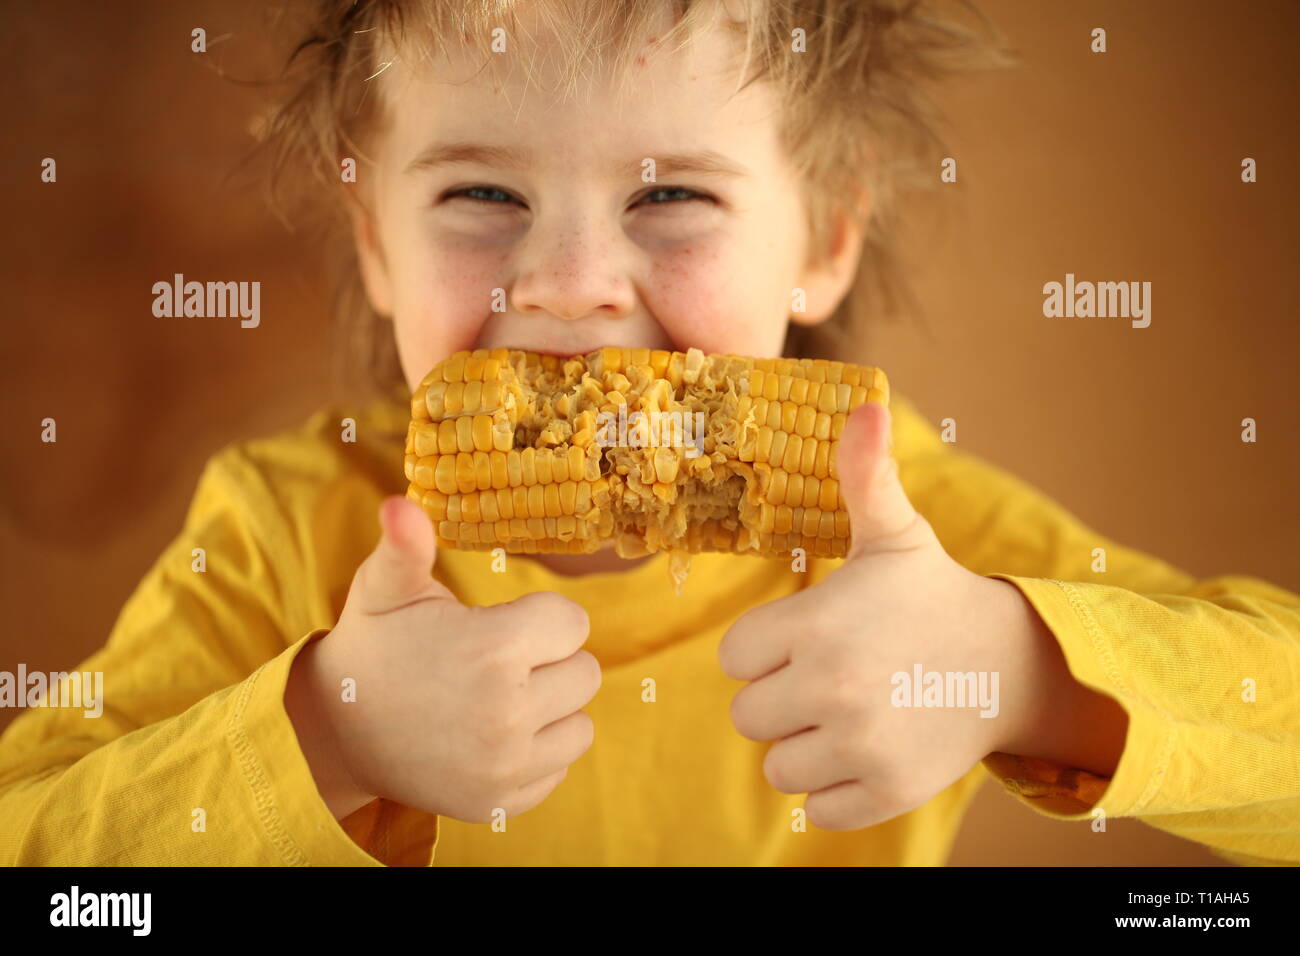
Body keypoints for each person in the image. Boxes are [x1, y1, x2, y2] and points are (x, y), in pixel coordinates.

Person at [2, 0, 1296, 866]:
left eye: (672, 193)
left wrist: (1019, 676)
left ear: (827, 239)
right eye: (482, 193)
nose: (570, 281)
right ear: (373, 244)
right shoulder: (289, 531)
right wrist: (326, 735)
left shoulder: (916, 544)